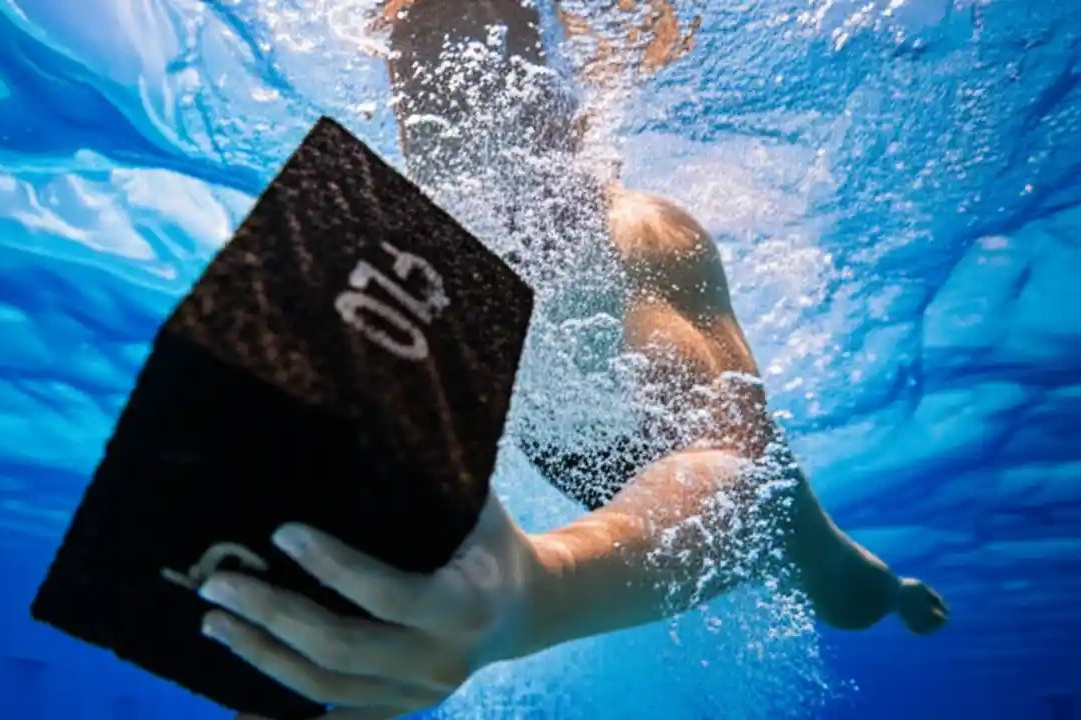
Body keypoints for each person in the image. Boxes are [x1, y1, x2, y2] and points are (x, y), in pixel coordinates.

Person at [197, 3, 949, 718]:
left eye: (511, 114)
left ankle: (900, 592)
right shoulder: (416, 265)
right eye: (439, 129)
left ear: (581, 125)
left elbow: (732, 470)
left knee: (843, 593)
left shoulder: (643, 240)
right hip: (576, 471)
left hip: (722, 494)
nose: (480, 159)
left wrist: (538, 593)